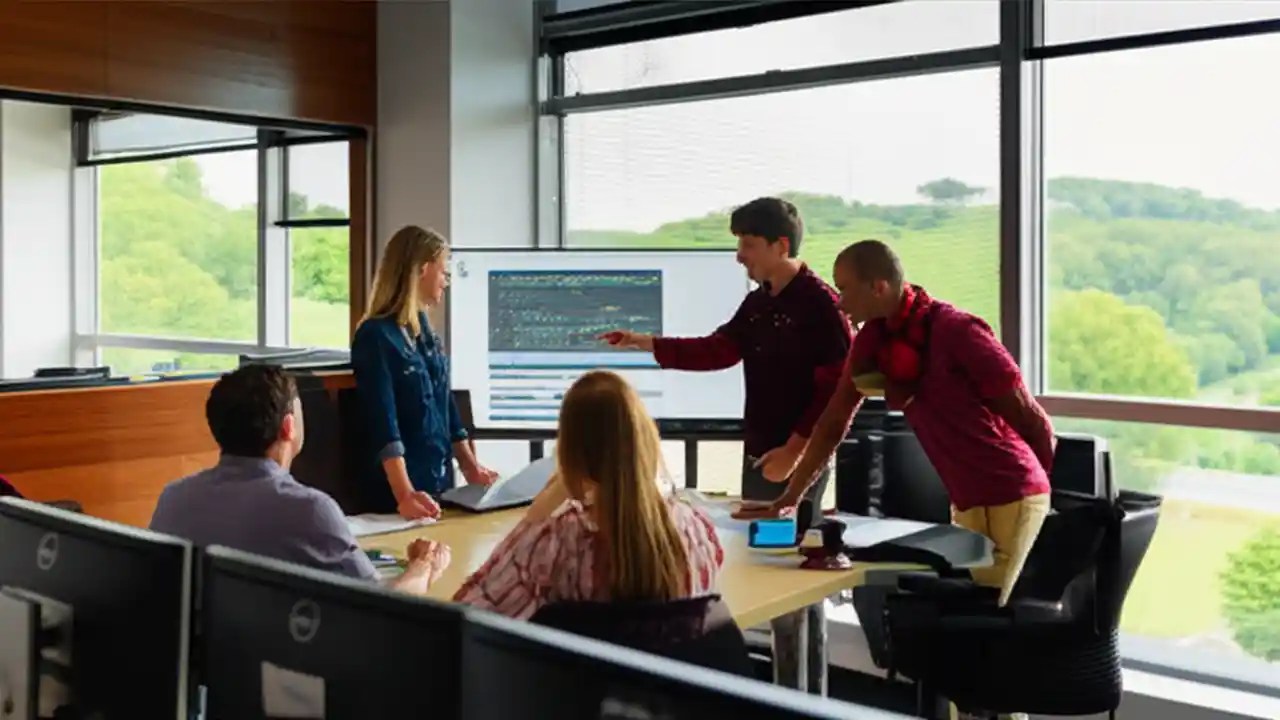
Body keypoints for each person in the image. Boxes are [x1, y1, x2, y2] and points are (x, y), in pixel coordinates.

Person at [737, 240, 1056, 605]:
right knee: (966, 609)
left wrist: (1052, 500)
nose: (840, 302)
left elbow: (1031, 419)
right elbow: (832, 423)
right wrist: (789, 498)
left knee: (991, 615)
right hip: (967, 502)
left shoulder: (958, 331)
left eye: (845, 289)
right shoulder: (872, 342)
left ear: (878, 287)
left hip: (1014, 493)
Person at [601, 197, 851, 506]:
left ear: (781, 246)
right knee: (754, 529)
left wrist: (794, 451)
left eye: (748, 245)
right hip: (762, 454)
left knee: (787, 534)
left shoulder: (822, 305)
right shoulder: (759, 303)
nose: (739, 256)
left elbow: (835, 392)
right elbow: (718, 350)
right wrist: (643, 342)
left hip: (796, 459)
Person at [149, 364, 448, 596]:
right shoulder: (309, 510)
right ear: (289, 426)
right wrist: (425, 566)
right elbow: (386, 607)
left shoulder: (173, 499)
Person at [451, 370, 724, 619]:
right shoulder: (697, 531)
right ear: (646, 438)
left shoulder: (558, 543)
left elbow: (469, 611)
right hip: (662, 661)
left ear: (568, 454)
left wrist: (536, 515)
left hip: (576, 662)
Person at [351, 225, 498, 521]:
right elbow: (384, 424)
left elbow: (446, 407)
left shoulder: (424, 333)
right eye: (444, 272)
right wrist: (405, 494)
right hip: (398, 499)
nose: (446, 281)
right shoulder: (375, 336)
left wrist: (470, 467)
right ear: (423, 269)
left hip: (440, 489)